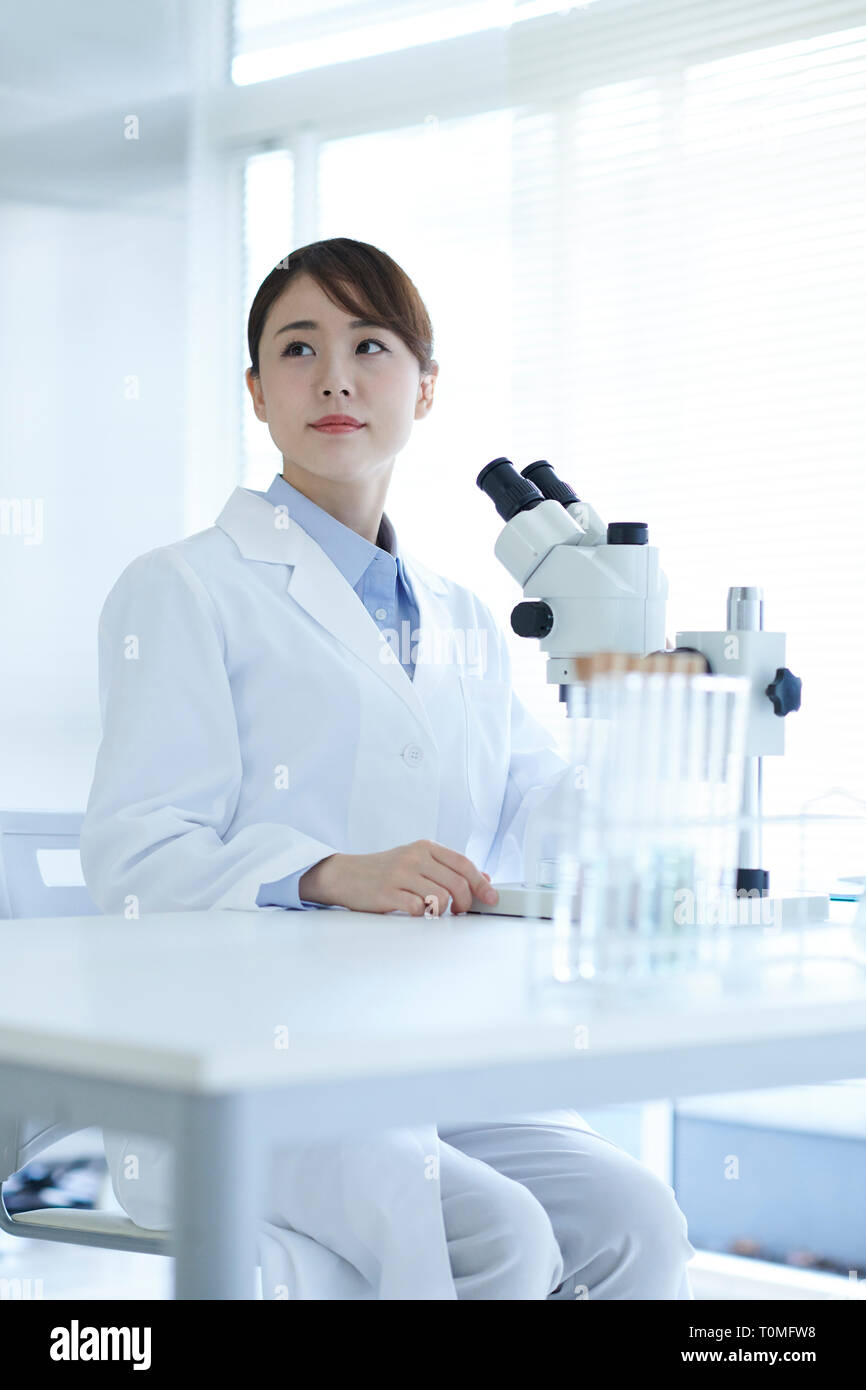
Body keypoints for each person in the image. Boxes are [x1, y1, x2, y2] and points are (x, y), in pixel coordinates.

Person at [81, 236, 696, 1299]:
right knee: (496, 1232)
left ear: (423, 385)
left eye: (368, 344)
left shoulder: (462, 616)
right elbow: (135, 855)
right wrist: (326, 870)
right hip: (244, 1061)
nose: (333, 376)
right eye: (297, 348)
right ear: (256, 393)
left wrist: (638, 719)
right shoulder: (182, 587)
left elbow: (536, 808)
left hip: (430, 1054)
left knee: (634, 1217)